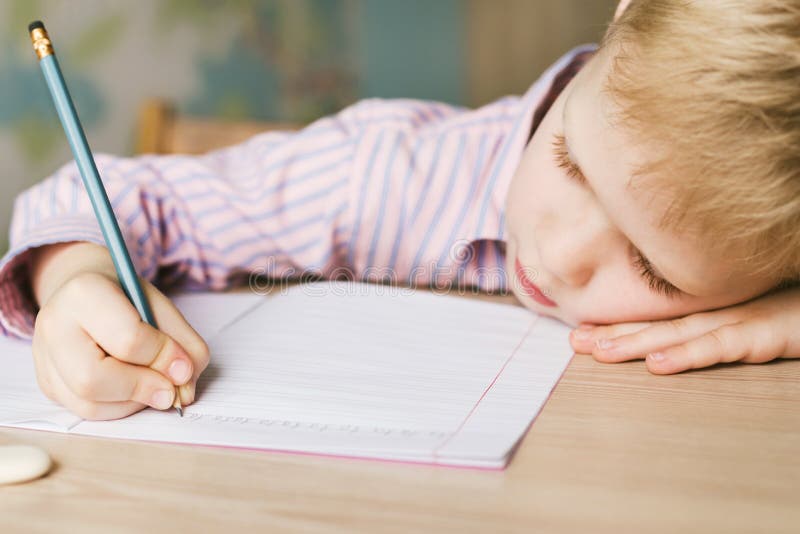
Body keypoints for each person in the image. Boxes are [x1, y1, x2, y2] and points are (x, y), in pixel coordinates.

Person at [1, 0, 797, 420]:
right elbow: (102, 196)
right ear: (620, 17)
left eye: (654, 269)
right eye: (571, 162)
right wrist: (75, 275)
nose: (560, 253)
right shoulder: (391, 175)